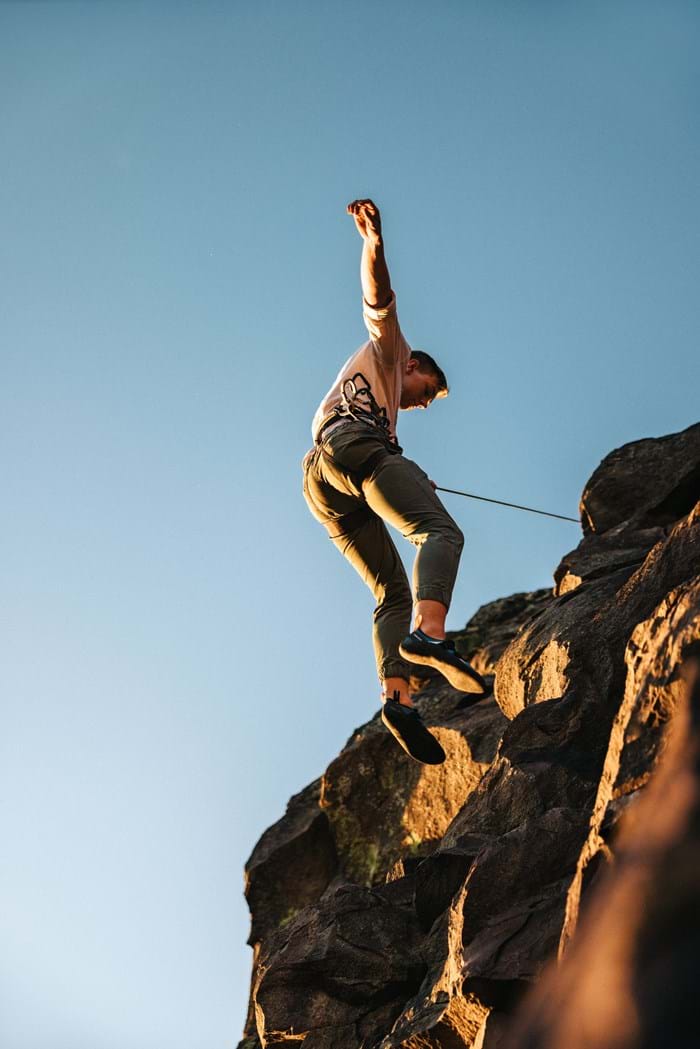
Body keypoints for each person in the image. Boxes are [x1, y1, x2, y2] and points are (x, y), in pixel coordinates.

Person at [302, 199, 486, 764]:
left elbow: (390, 462)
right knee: (440, 534)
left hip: (320, 481)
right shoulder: (391, 352)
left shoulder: (387, 414)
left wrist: (411, 471)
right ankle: (431, 634)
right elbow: (378, 299)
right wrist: (373, 243)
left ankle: (398, 698)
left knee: (391, 593)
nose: (424, 403)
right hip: (352, 448)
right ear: (413, 366)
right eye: (428, 391)